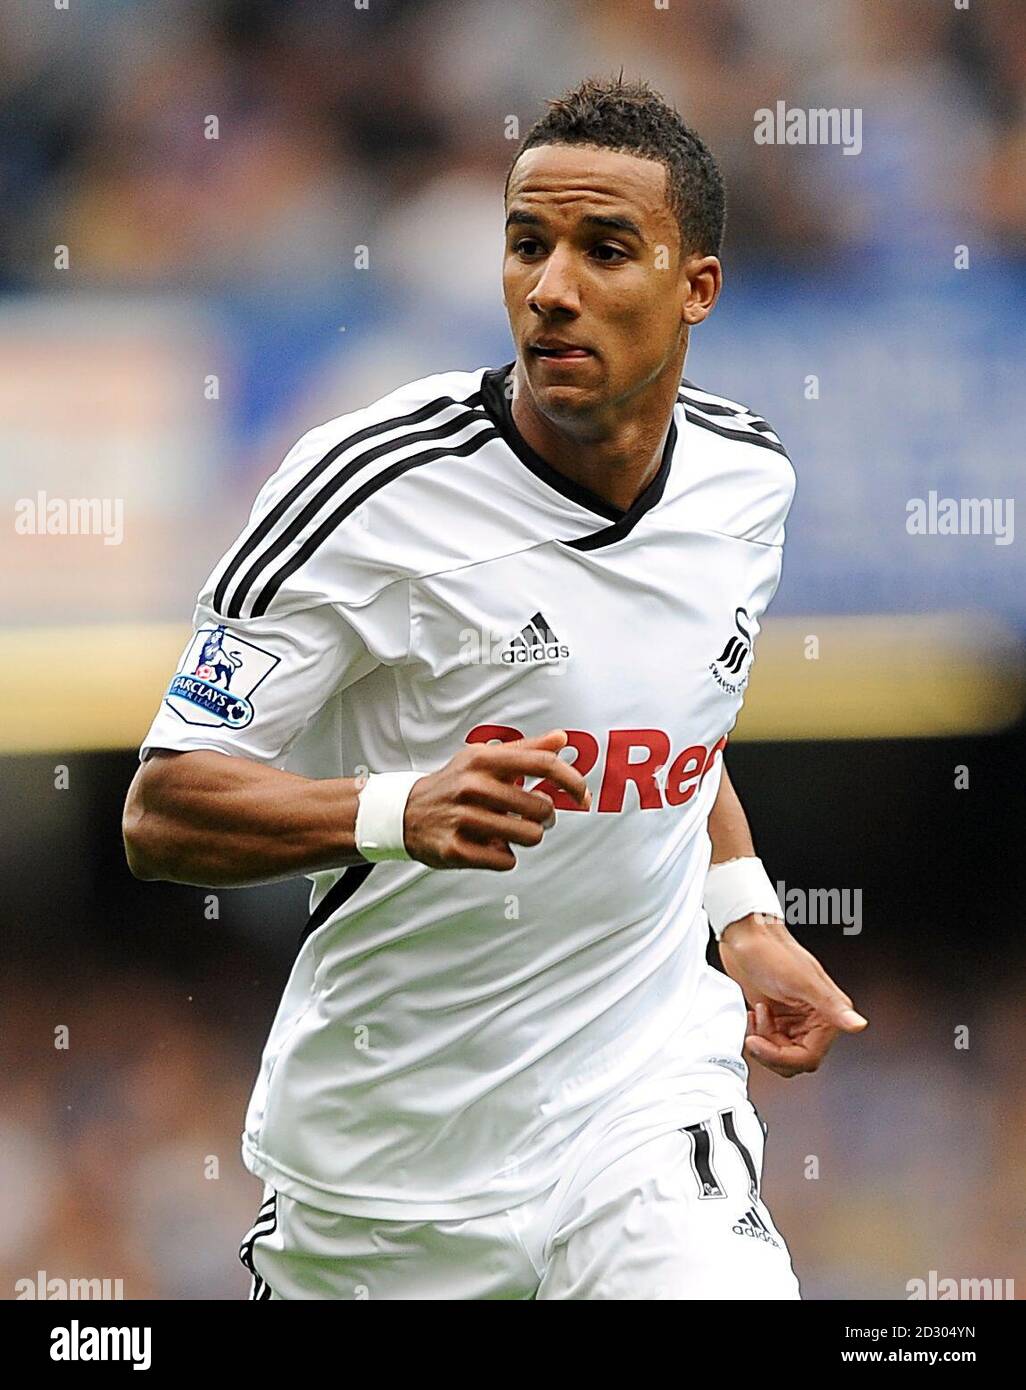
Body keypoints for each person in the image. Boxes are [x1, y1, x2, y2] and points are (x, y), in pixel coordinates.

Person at [123, 75, 867, 1300]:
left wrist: (744, 914)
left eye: (605, 249)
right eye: (528, 244)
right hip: (390, 1180)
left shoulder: (747, 479)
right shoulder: (364, 492)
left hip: (642, 1114)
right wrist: (394, 812)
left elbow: (680, 718)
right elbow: (162, 811)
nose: (552, 287)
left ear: (700, 290)